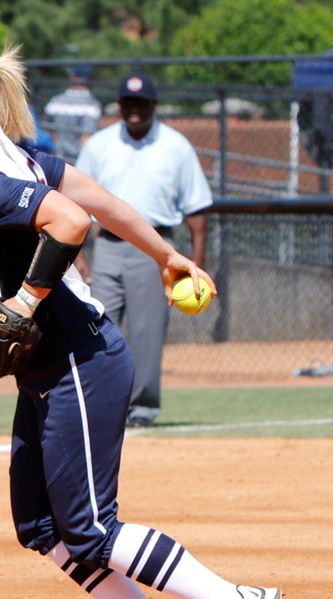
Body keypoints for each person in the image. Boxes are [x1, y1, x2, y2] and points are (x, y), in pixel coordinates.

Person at [0, 47, 281, 599]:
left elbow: (73, 220)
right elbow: (102, 200)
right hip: (51, 365)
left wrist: (22, 302)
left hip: (81, 357)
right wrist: (167, 256)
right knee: (40, 524)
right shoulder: (9, 159)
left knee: (92, 527)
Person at [75, 72, 212, 429]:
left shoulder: (176, 146)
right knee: (93, 327)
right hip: (106, 247)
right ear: (119, 105)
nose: (134, 109)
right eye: (127, 103)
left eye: (141, 103)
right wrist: (78, 256)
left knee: (147, 332)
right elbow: (74, 205)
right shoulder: (99, 145)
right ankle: (95, 405)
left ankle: (142, 409)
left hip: (155, 250)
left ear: (154, 105)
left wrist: (195, 264)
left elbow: (196, 212)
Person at [42, 65, 103, 164]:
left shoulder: (56, 101)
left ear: (73, 78)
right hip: (79, 161)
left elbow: (49, 130)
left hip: (55, 159)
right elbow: (87, 136)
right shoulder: (92, 104)